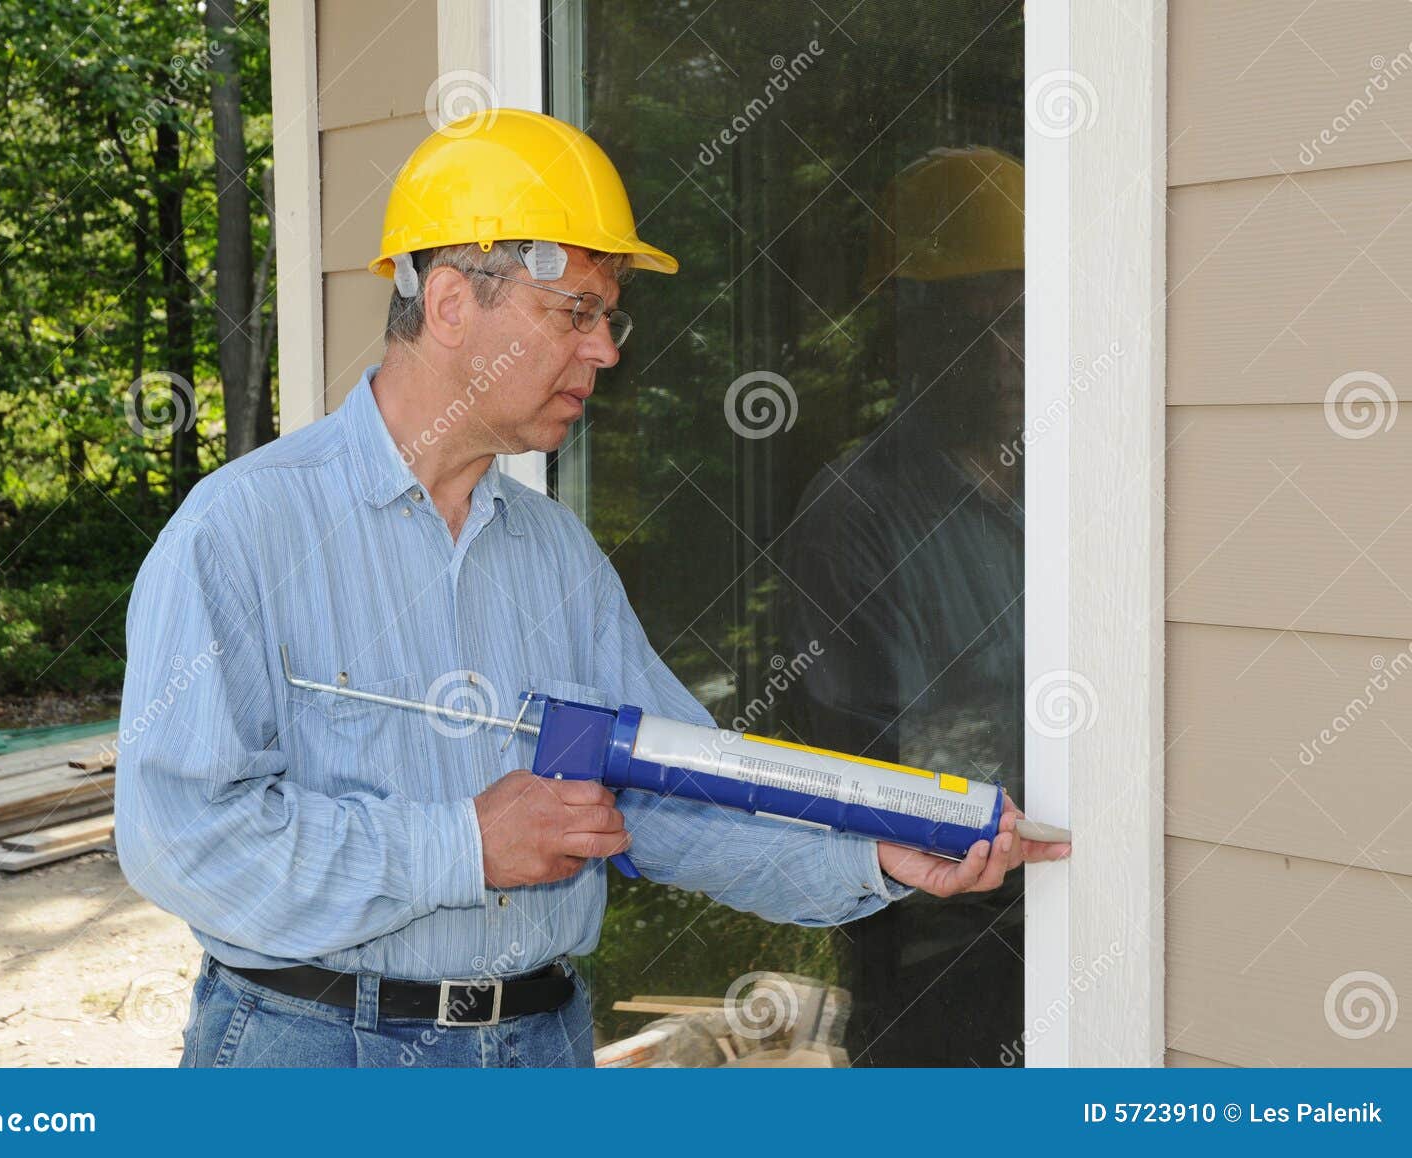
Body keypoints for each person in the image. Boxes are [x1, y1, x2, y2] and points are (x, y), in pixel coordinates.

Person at [113, 111, 1068, 1069]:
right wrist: (461, 845)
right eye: (575, 312)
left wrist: (870, 856)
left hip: (541, 1044)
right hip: (312, 1051)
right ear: (450, 304)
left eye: (609, 316)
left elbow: (669, 800)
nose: (606, 350)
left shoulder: (557, 560)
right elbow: (183, 838)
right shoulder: (242, 532)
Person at [781, 145, 1032, 1065]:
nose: (1012, 358)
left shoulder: (1062, 489)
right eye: (983, 328)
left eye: (1026, 322)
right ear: (917, 334)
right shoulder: (858, 515)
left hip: (1065, 926)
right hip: (935, 961)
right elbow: (869, 772)